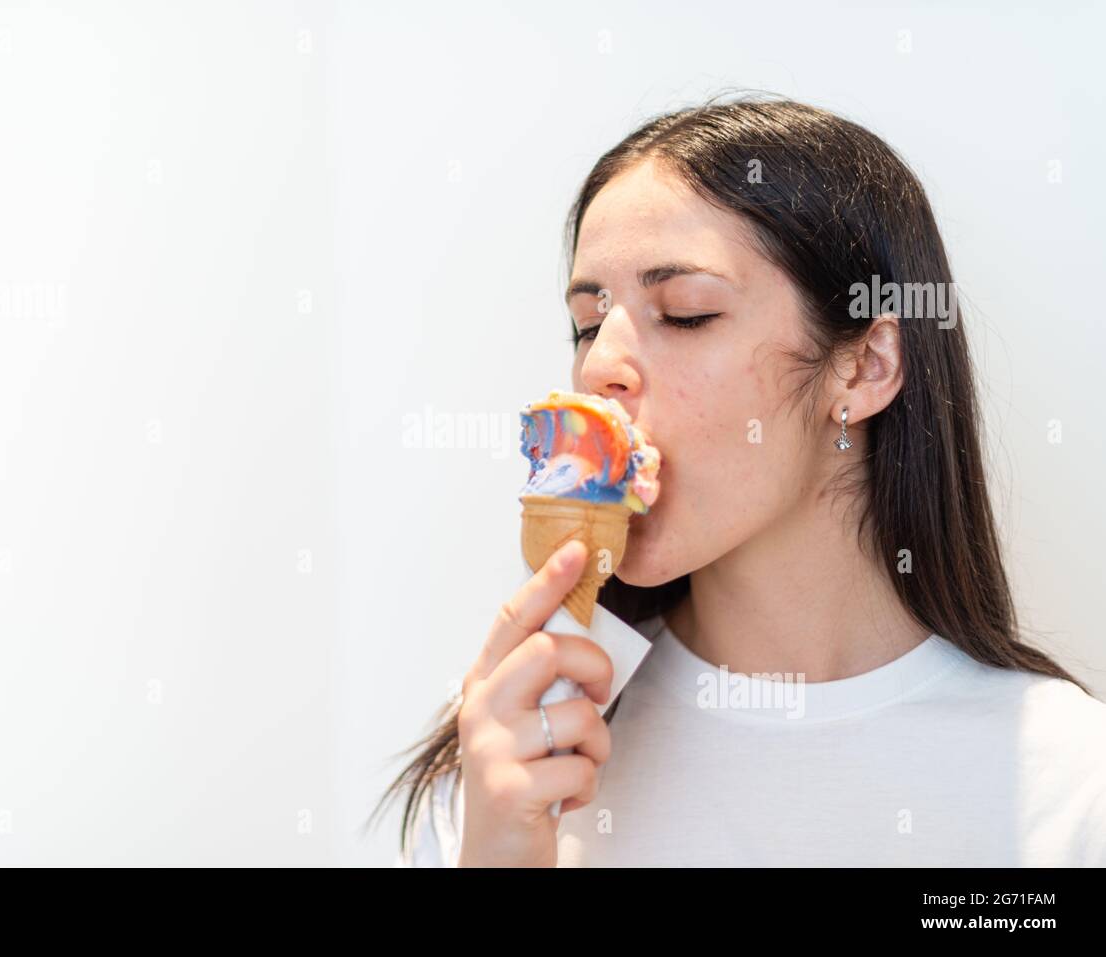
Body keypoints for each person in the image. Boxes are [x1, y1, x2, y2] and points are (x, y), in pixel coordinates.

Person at [373, 97, 1106, 867]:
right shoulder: (512, 757)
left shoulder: (1071, 788)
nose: (597, 368)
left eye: (685, 313)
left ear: (865, 365)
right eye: (589, 323)